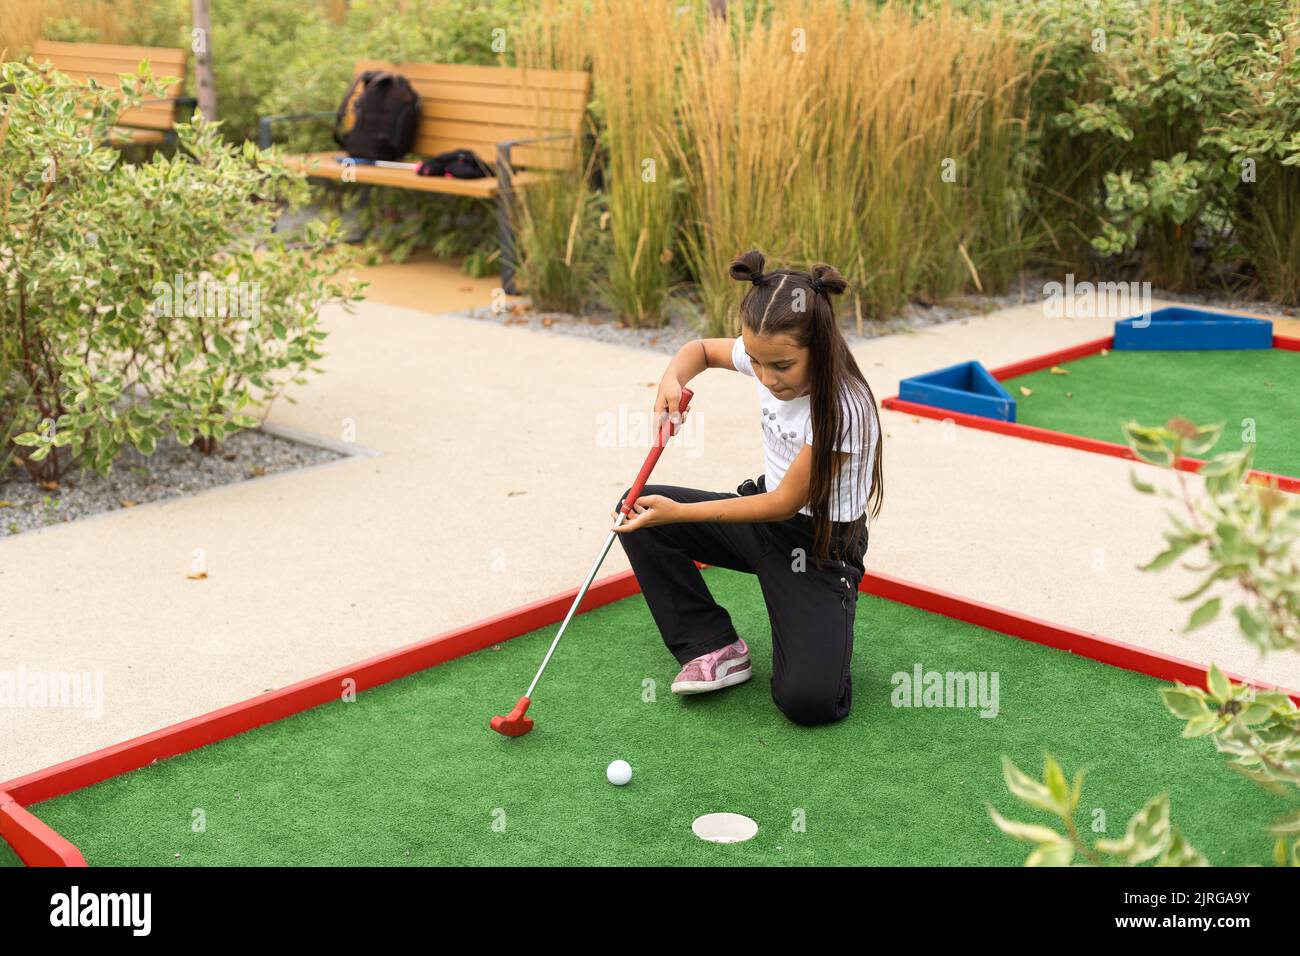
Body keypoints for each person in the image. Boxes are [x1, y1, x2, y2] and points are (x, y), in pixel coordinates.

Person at [608, 249, 885, 726]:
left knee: (809, 703)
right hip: (760, 522)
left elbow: (784, 502)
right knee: (636, 511)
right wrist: (670, 379)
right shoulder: (765, 353)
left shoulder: (846, 408)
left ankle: (820, 616)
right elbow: (699, 351)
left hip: (819, 547)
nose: (766, 377)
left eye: (782, 366)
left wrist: (679, 512)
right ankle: (714, 645)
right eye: (755, 362)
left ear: (819, 345)